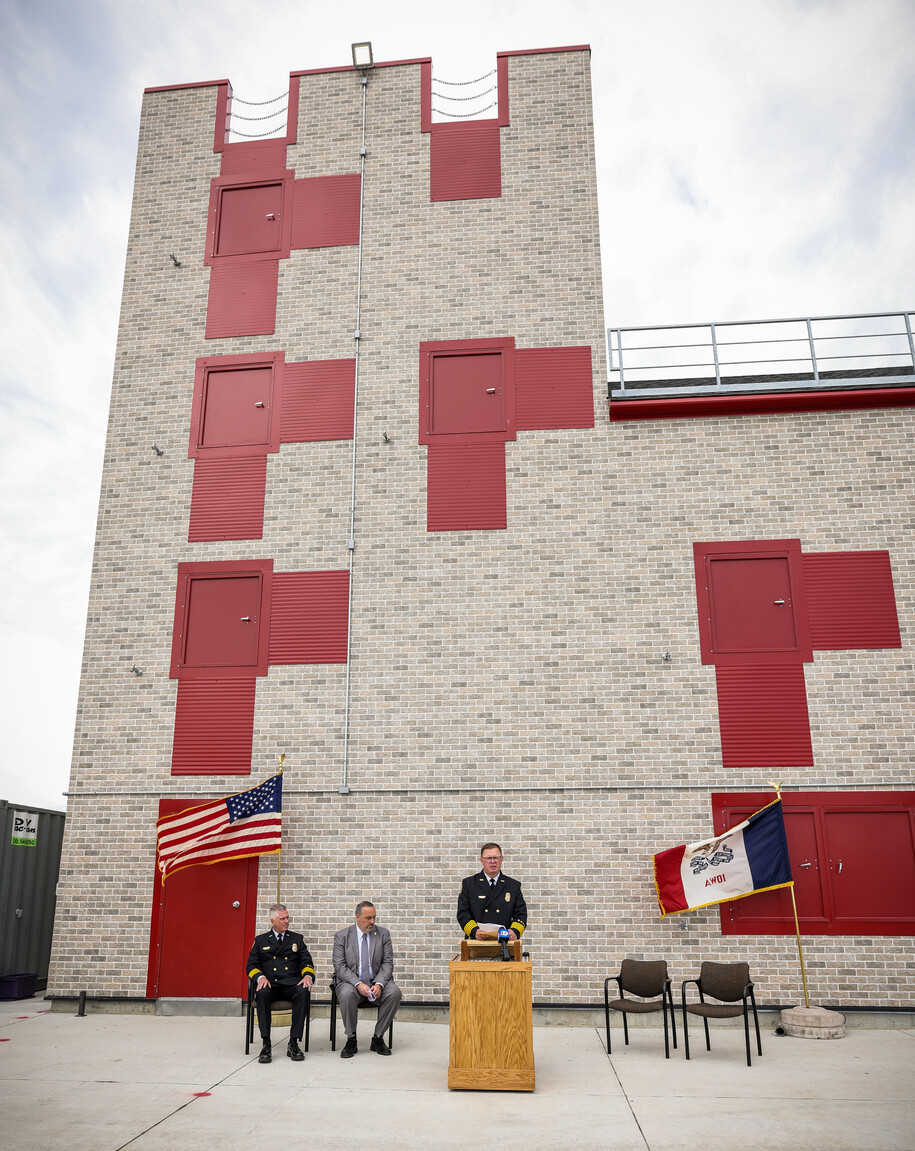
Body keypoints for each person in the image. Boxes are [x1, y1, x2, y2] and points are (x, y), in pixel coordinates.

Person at [246, 903, 315, 1064]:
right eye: (282, 919)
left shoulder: (297, 939)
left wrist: (307, 976)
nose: (286, 921)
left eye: (287, 918)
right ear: (272, 921)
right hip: (271, 985)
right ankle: (266, 1043)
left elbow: (306, 962)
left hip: (291, 985)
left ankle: (293, 1043)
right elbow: (251, 966)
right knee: (262, 992)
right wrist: (260, 977)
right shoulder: (261, 940)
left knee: (303, 991)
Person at [332, 901, 402, 1058]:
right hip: (351, 984)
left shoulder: (383, 934)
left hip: (376, 982)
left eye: (374, 917)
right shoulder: (342, 936)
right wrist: (358, 984)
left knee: (394, 993)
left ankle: (378, 1038)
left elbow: (387, 963)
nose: (372, 921)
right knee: (347, 994)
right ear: (357, 917)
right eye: (368, 918)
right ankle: (351, 1039)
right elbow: (340, 967)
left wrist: (379, 984)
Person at [457, 842, 527, 940]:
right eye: (488, 858)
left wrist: (514, 931)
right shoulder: (469, 884)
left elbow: (521, 914)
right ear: (481, 860)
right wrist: (474, 931)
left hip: (504, 941)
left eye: (496, 858)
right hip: (477, 941)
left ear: (501, 859)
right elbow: (463, 913)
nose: (492, 861)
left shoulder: (513, 886)